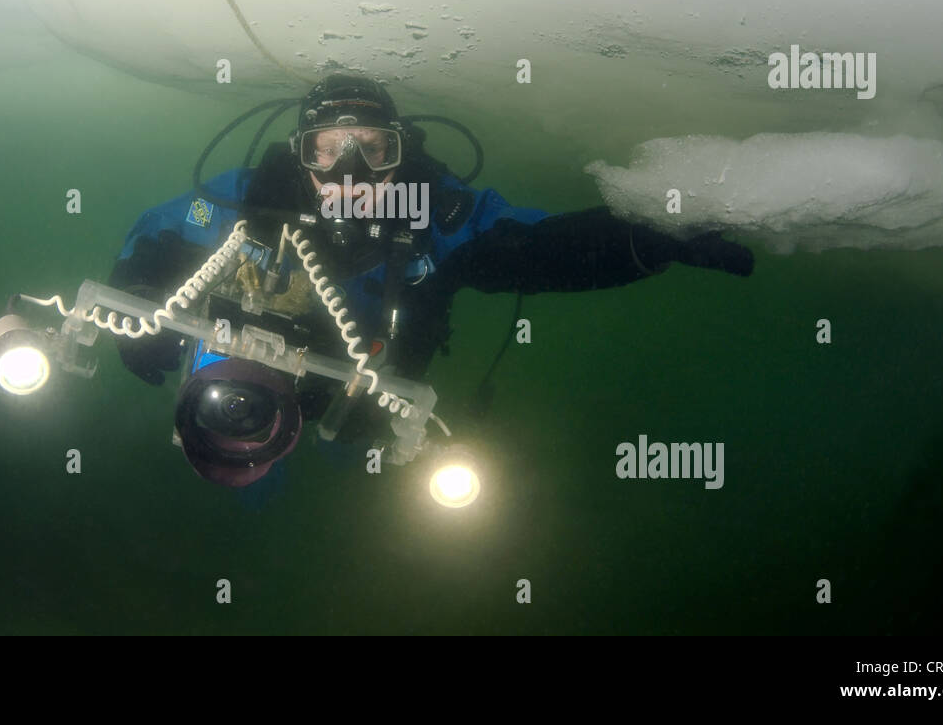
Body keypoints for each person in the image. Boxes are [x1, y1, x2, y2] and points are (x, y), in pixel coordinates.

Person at [108, 74, 754, 486]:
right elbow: (156, 233)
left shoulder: (432, 212)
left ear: (401, 151)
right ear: (300, 154)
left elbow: (539, 250)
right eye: (328, 150)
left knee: (355, 466)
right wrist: (138, 297)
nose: (352, 172)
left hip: (363, 404)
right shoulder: (250, 198)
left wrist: (652, 238)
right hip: (236, 373)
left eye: (374, 149)